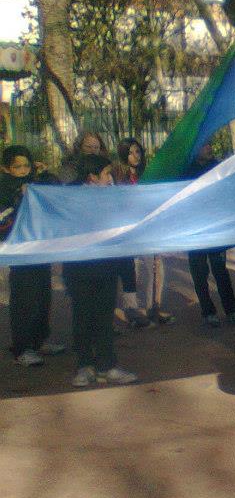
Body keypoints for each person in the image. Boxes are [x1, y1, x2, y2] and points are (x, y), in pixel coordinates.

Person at [62, 154, 137, 387]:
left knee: (105, 318)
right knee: (83, 318)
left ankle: (107, 366)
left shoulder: (113, 198)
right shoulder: (70, 199)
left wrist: (128, 281)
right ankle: (85, 366)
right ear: (92, 177)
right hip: (79, 271)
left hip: (106, 268)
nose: (110, 178)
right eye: (106, 174)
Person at [1, 145, 64, 367]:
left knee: (42, 296)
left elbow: (55, 191)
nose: (23, 170)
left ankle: (39, 340)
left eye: (26, 165)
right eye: (17, 167)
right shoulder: (5, 188)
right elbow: (4, 220)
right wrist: (20, 198)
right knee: (24, 301)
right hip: (20, 253)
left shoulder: (35, 183)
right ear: (6, 168)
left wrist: (42, 176)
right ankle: (22, 347)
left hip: (39, 249)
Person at [183, 145, 235, 327]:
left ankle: (232, 309)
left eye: (209, 144)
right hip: (194, 231)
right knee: (199, 273)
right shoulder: (186, 171)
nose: (209, 147)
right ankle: (208, 312)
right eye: (204, 145)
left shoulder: (218, 167)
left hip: (215, 229)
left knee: (220, 270)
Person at [115, 137, 174, 327]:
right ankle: (131, 311)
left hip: (148, 230)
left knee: (156, 268)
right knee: (132, 272)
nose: (135, 156)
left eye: (138, 151)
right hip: (128, 231)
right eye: (130, 153)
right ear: (124, 155)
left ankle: (153, 308)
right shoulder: (117, 176)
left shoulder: (147, 174)